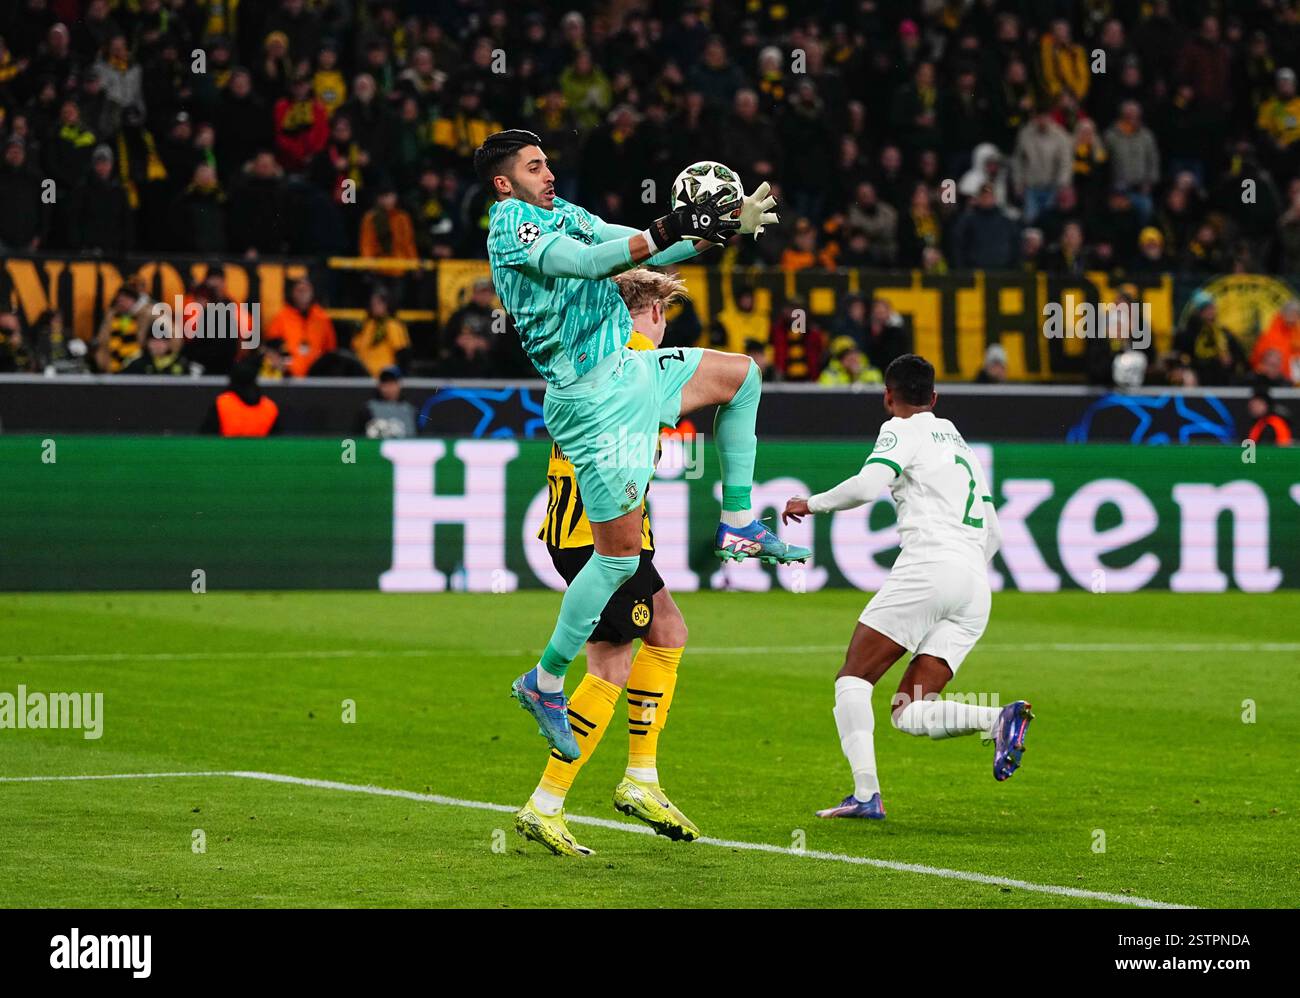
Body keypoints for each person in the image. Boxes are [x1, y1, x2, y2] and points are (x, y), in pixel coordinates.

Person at [477, 127, 803, 767]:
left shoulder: (561, 213)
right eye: (534, 166)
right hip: (593, 399)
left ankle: (738, 522)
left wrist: (723, 225)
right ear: (504, 181)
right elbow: (584, 263)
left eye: (547, 163)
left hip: (631, 372)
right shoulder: (510, 225)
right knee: (620, 560)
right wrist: (666, 226)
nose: (548, 174)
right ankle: (543, 681)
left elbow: (626, 250)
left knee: (742, 376)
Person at [781, 355, 1034, 819]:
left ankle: (864, 795)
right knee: (908, 709)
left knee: (853, 679)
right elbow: (995, 533)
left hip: (929, 567)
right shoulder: (961, 444)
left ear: (888, 397)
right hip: (976, 584)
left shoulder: (901, 427)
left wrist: (810, 504)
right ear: (934, 398)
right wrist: (960, 570)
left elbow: (865, 486)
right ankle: (994, 719)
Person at [517, 268, 698, 856]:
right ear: (648, 315)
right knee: (636, 651)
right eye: (661, 311)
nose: (663, 325)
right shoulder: (640, 356)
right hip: (603, 540)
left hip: (578, 531)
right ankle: (613, 786)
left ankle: (575, 796)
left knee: (642, 643)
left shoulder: (583, 358)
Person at [200, 359, 280, 436]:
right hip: (261, 449)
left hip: (227, 449)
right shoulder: (270, 407)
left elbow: (205, 438)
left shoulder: (222, 403)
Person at [358, 365, 417, 438]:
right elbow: (357, 439)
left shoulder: (411, 410)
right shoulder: (367, 409)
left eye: (392, 383)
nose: (388, 388)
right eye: (384, 384)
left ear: (399, 385)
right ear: (379, 386)